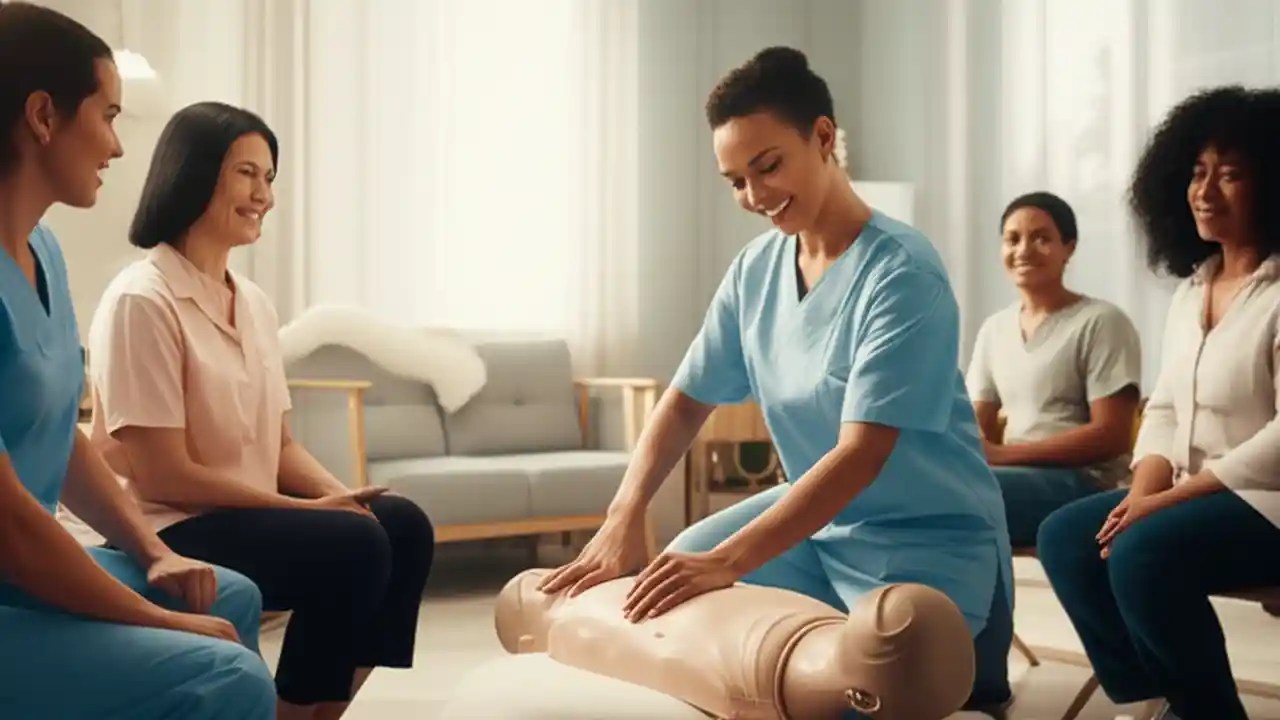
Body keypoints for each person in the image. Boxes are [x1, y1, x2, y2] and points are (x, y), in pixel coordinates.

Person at [538, 47, 1014, 713]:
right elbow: (684, 402)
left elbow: (861, 454)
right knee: (671, 596)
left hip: (927, 541)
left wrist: (731, 561)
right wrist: (624, 515)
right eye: (736, 181)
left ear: (823, 137)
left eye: (767, 166)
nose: (755, 196)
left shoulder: (904, 273)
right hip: (815, 530)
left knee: (856, 688)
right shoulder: (755, 270)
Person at [87, 101, 435, 720]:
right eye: (247, 174)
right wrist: (308, 512)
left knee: (401, 526)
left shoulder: (253, 303)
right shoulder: (143, 299)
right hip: (169, 522)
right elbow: (162, 474)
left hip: (241, 513)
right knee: (354, 544)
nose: (264, 196)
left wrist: (342, 498)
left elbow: (281, 447)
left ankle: (311, 712)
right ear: (193, 173)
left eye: (269, 178)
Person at [0, 4, 275, 718]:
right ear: (43, 116)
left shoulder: (44, 253)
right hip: (11, 565)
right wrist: (156, 619)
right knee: (225, 675)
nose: (118, 147)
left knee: (228, 594)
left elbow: (62, 440)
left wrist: (154, 552)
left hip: (19, 569)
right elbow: (12, 528)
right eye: (110, 115)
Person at [1037, 86, 1280, 720]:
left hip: (1268, 501)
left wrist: (1164, 503)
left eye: (1230, 175)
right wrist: (1144, 490)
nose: (1205, 191)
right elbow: (1165, 409)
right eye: (1197, 172)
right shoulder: (1192, 290)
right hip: (1196, 494)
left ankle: (1208, 712)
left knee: (1144, 550)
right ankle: (1160, 696)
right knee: (1066, 536)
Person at [967, 192, 1142, 547]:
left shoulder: (1101, 322)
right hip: (1013, 476)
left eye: (1041, 238)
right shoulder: (994, 329)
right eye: (1012, 239)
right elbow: (974, 425)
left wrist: (1001, 456)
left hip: (1084, 482)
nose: (1024, 250)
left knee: (969, 492)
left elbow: (1112, 434)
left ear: (1069, 248)